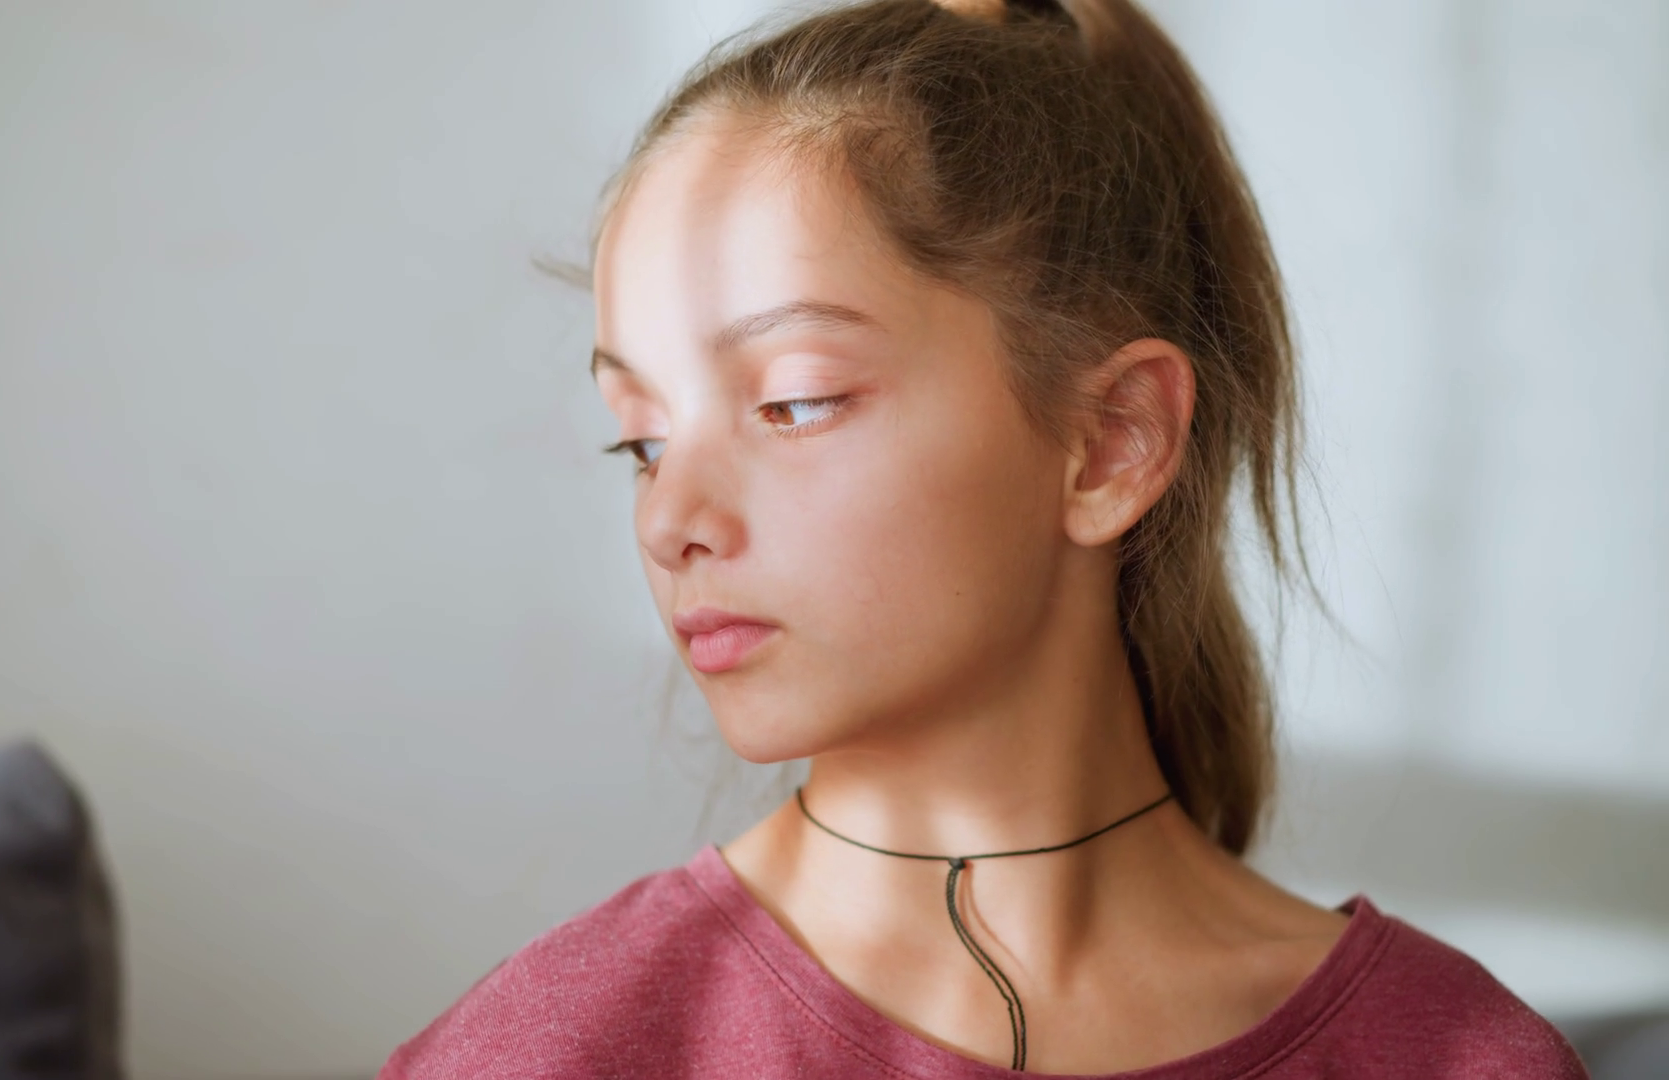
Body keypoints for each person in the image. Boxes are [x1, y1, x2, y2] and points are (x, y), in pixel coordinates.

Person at [383, 0, 1588, 1075]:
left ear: (1111, 442)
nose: (667, 520)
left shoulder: (1465, 1059)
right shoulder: (545, 1053)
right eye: (640, 440)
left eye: (794, 402)